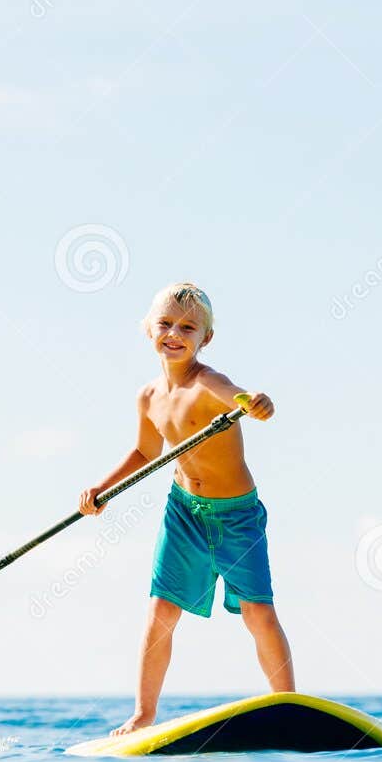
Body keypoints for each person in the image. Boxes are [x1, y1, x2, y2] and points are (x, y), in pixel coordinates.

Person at [77, 282, 292, 736]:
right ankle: (143, 714)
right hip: (184, 514)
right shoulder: (148, 397)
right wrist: (103, 489)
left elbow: (240, 396)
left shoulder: (208, 383)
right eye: (166, 324)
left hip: (236, 515)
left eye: (188, 327)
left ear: (204, 339)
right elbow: (144, 452)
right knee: (161, 611)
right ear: (148, 331)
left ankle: (288, 704)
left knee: (258, 612)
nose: (175, 333)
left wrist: (257, 404)